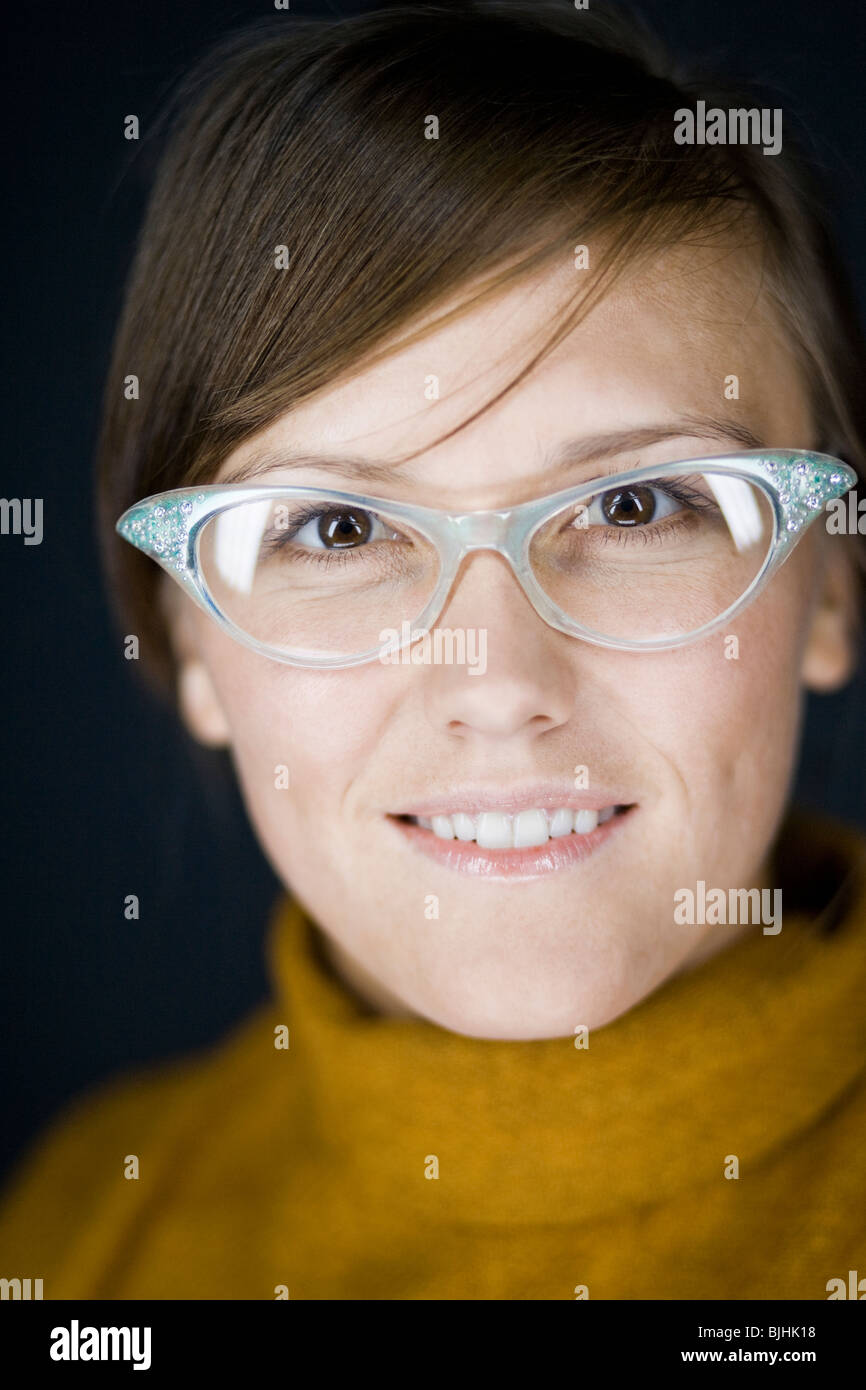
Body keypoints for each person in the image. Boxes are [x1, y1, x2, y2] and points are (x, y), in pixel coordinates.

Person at [1, 0, 865, 1300]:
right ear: (188, 635)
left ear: (831, 586)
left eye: (635, 506)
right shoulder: (73, 1234)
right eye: (337, 526)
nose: (499, 684)